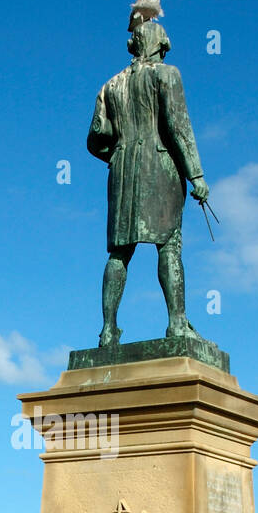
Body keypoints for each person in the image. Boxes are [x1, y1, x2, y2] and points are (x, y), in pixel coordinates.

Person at [88, 20, 210, 347]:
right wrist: (195, 174)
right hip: (159, 165)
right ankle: (177, 323)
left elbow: (97, 137)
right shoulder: (166, 74)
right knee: (169, 244)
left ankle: (108, 330)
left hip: (122, 170)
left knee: (119, 252)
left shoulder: (111, 85)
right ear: (159, 43)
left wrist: (120, 154)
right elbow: (176, 126)